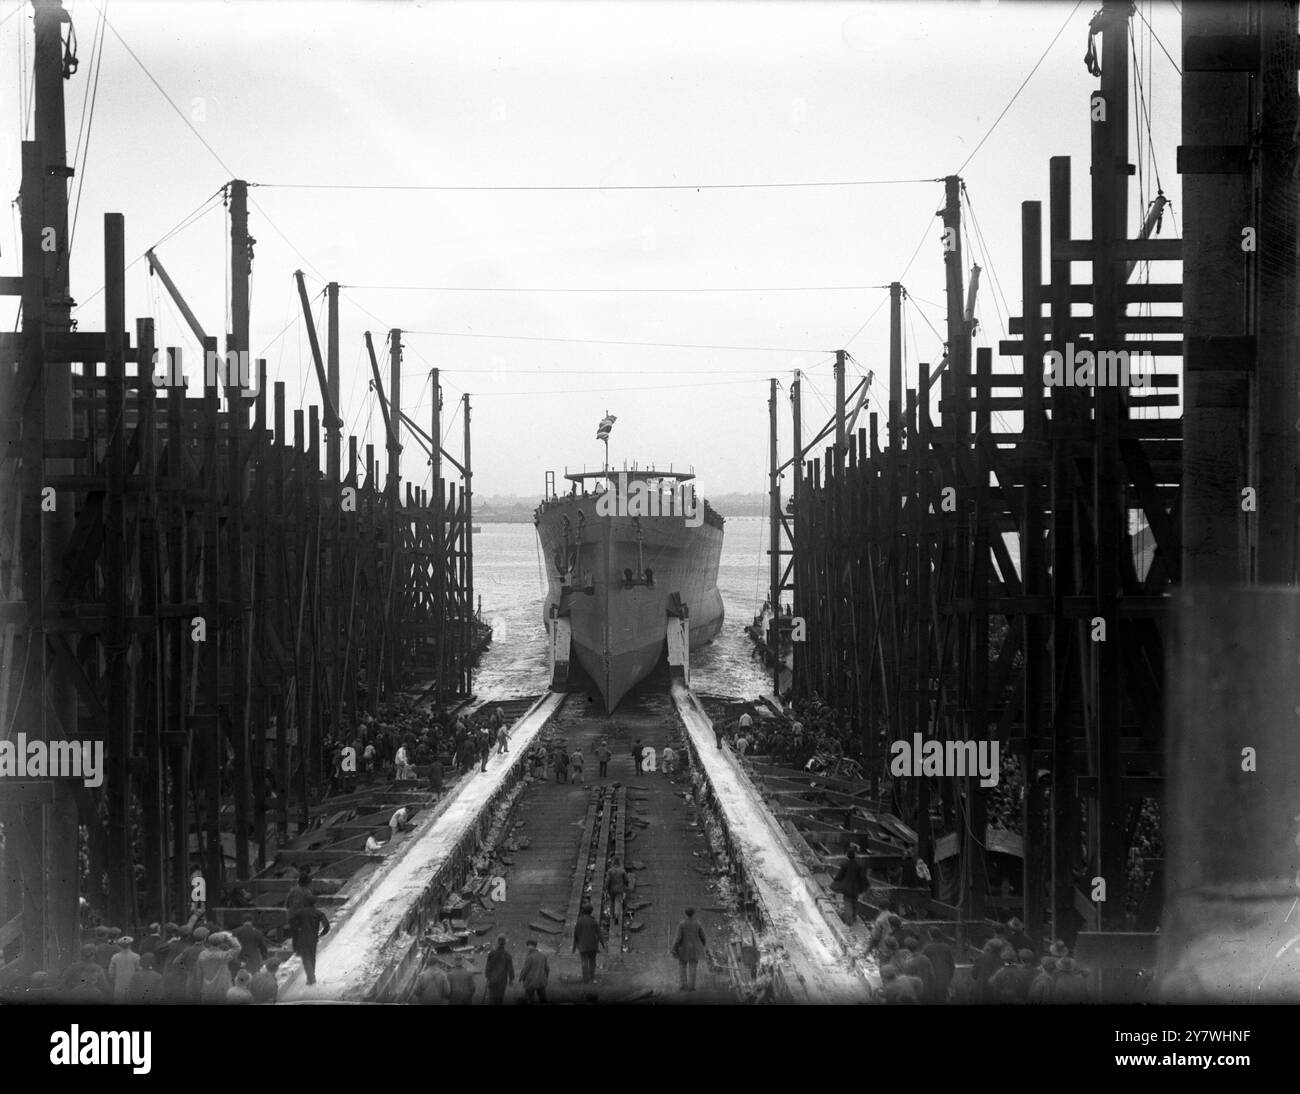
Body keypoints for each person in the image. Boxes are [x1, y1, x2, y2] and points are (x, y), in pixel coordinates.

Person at [288, 893, 331, 987]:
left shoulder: (300, 912)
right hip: (313, 939)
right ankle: (311, 977)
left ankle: (311, 978)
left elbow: (291, 921)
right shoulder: (319, 913)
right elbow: (327, 926)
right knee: (312, 957)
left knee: (306, 958)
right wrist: (321, 934)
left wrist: (297, 929)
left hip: (303, 938)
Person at [197, 932, 242, 1003]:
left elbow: (199, 973)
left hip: (206, 989)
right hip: (222, 989)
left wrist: (200, 988)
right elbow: (237, 947)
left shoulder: (202, 955)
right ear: (221, 943)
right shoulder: (224, 956)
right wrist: (229, 937)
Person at [671, 907, 707, 992]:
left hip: (684, 948)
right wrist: (703, 944)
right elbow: (703, 937)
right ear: (693, 913)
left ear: (685, 913)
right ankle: (692, 987)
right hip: (695, 949)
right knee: (693, 966)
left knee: (682, 966)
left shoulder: (682, 924)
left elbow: (678, 938)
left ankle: (683, 985)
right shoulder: (698, 923)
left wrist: (674, 947)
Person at [831, 844, 867, 926]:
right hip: (856, 888)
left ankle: (849, 921)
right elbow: (862, 877)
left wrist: (836, 880)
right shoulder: (859, 865)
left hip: (847, 888)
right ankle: (854, 917)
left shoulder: (845, 865)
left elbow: (840, 875)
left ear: (847, 856)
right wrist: (863, 887)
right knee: (854, 901)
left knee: (847, 903)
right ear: (855, 855)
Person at [572, 903, 605, 984]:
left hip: (582, 945)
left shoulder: (579, 921)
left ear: (583, 911)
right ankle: (592, 977)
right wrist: (603, 944)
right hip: (592, 945)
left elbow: (576, 934)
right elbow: (599, 934)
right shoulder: (593, 921)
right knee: (592, 962)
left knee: (584, 962)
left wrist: (574, 947)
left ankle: (585, 978)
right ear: (591, 911)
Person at [108, 935, 141, 1003]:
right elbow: (139, 972)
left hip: (119, 987)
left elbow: (111, 973)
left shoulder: (115, 957)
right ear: (130, 945)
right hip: (132, 988)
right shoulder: (136, 957)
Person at [484, 934, 515, 1005]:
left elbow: (488, 966)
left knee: (492, 998)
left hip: (492, 979)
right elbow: (510, 968)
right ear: (505, 943)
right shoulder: (507, 955)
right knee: (500, 998)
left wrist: (487, 976)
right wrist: (511, 979)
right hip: (502, 980)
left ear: (497, 942)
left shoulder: (492, 953)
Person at [520, 939, 549, 1004]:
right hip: (541, 981)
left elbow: (525, 969)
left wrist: (521, 978)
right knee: (543, 999)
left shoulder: (530, 956)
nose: (527, 947)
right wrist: (545, 977)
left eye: (528, 946)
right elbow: (547, 969)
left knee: (530, 999)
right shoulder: (543, 955)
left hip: (530, 982)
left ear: (530, 946)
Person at [605, 858, 629, 924]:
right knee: (618, 902)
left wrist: (606, 888)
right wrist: (626, 885)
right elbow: (626, 879)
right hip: (620, 889)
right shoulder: (622, 870)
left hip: (612, 890)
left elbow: (607, 881)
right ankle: (616, 915)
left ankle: (612, 915)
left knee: (612, 902)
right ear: (619, 863)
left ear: (613, 863)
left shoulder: (610, 871)